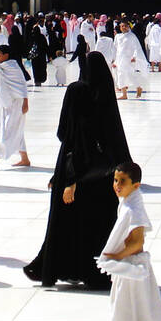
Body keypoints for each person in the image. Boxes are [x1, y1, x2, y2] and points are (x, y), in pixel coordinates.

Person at [25, 53, 130, 290]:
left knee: (69, 222)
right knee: (98, 224)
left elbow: (65, 133)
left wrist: (69, 178)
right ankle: (98, 272)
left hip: (73, 168)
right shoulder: (105, 98)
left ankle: (66, 267)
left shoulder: (77, 91)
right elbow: (115, 139)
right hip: (101, 177)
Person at [95, 162, 161, 321]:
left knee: (132, 309)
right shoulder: (127, 203)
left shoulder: (134, 209)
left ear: (136, 185)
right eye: (115, 180)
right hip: (128, 265)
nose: (117, 186)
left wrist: (117, 257)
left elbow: (137, 242)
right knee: (132, 309)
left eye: (122, 181)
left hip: (132, 267)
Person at [0, 44, 30, 169]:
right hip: (5, 102)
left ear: (6, 55)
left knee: (7, 131)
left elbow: (22, 84)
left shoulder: (13, 67)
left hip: (17, 103)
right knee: (14, 130)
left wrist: (26, 101)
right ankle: (25, 159)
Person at [114, 20, 148, 100]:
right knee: (120, 75)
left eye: (125, 26)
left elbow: (137, 48)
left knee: (130, 75)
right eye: (122, 26)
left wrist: (135, 57)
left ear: (128, 27)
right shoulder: (118, 36)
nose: (124, 28)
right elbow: (116, 49)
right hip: (120, 59)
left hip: (129, 59)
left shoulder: (132, 36)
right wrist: (114, 60)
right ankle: (124, 94)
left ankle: (138, 88)